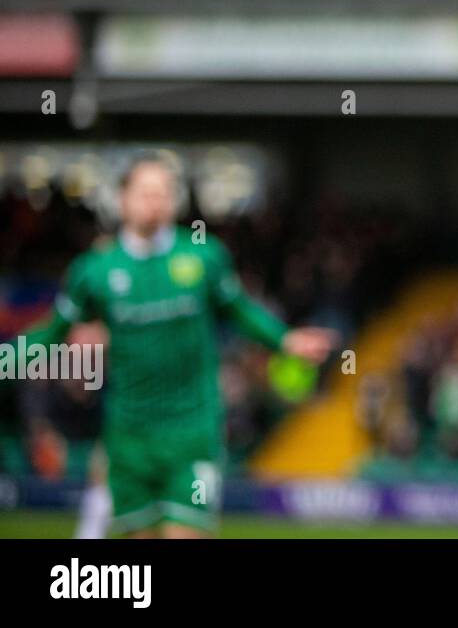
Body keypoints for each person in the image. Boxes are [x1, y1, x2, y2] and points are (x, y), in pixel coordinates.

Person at [5, 152, 335, 537]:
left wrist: (285, 338)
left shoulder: (203, 258)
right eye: (146, 192)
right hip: (129, 438)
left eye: (163, 193)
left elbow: (239, 309)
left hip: (192, 434)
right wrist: (6, 358)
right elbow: (54, 331)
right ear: (123, 199)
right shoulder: (95, 272)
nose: (155, 201)